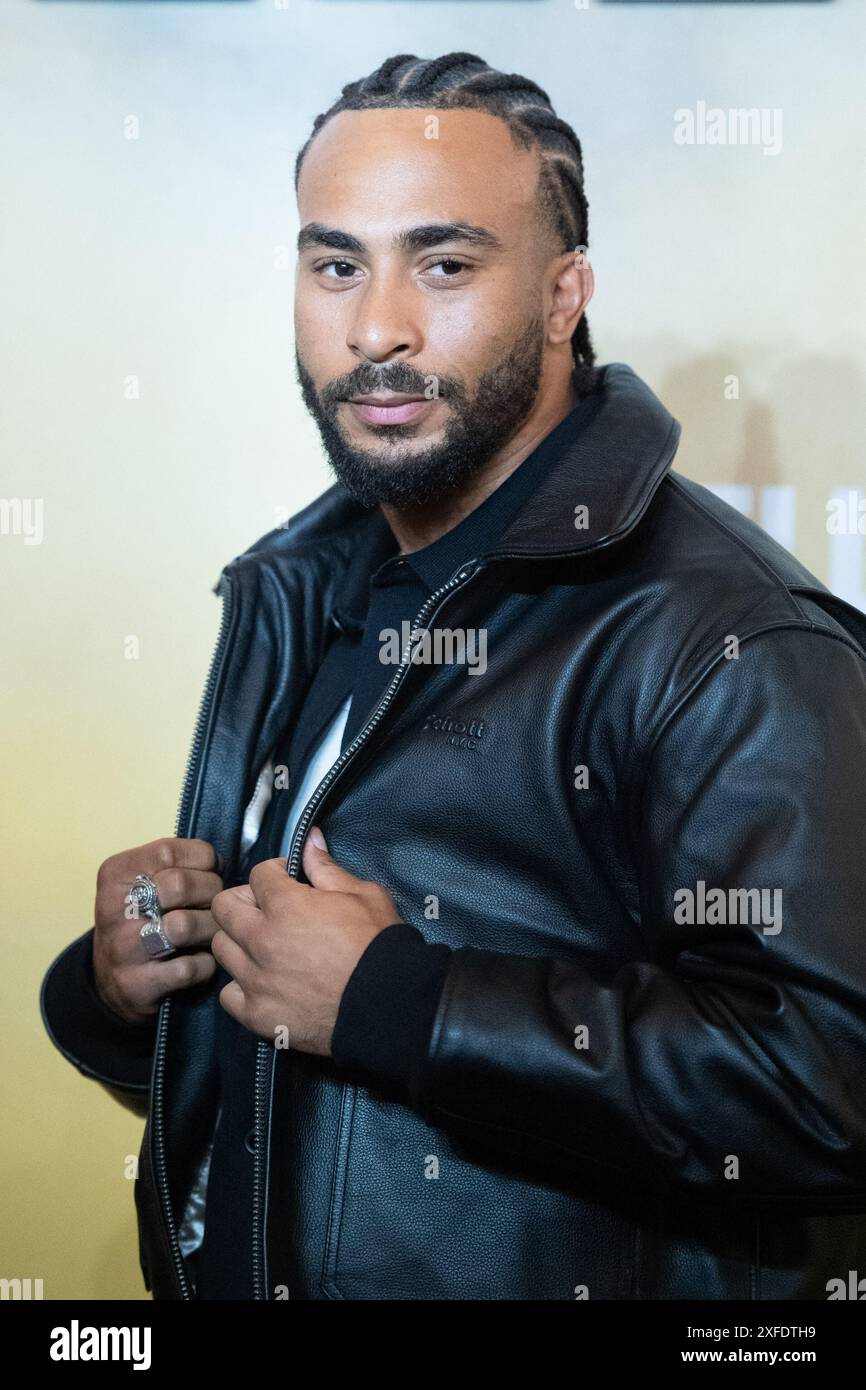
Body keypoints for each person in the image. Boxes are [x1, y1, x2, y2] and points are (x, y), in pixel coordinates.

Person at [41, 51, 866, 1301]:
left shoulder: (729, 637)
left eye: (443, 264)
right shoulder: (301, 582)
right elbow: (288, 1036)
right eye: (336, 265)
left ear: (562, 295)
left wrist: (402, 1002)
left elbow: (825, 1089)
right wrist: (127, 990)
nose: (376, 327)